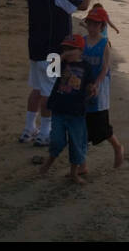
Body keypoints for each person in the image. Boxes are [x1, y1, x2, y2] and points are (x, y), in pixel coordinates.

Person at [22, 0, 97, 145]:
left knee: (38, 89)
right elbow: (82, 6)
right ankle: (45, 133)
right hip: (53, 52)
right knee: (50, 91)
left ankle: (29, 128)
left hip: (36, 47)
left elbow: (59, 1)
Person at [40, 34, 96, 184]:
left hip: (76, 112)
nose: (67, 51)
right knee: (56, 140)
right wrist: (63, 56)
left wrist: (92, 89)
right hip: (59, 110)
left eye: (71, 49)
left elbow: (90, 84)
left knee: (76, 144)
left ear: (80, 50)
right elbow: (49, 71)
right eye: (65, 48)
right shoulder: (62, 64)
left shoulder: (86, 67)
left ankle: (74, 172)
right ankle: (49, 162)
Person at [82, 5, 124, 169]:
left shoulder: (104, 44)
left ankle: (118, 147)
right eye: (90, 23)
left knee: (101, 126)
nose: (92, 27)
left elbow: (105, 68)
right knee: (82, 126)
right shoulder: (83, 42)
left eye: (96, 24)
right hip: (84, 87)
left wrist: (96, 84)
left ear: (102, 26)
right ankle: (82, 164)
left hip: (100, 89)